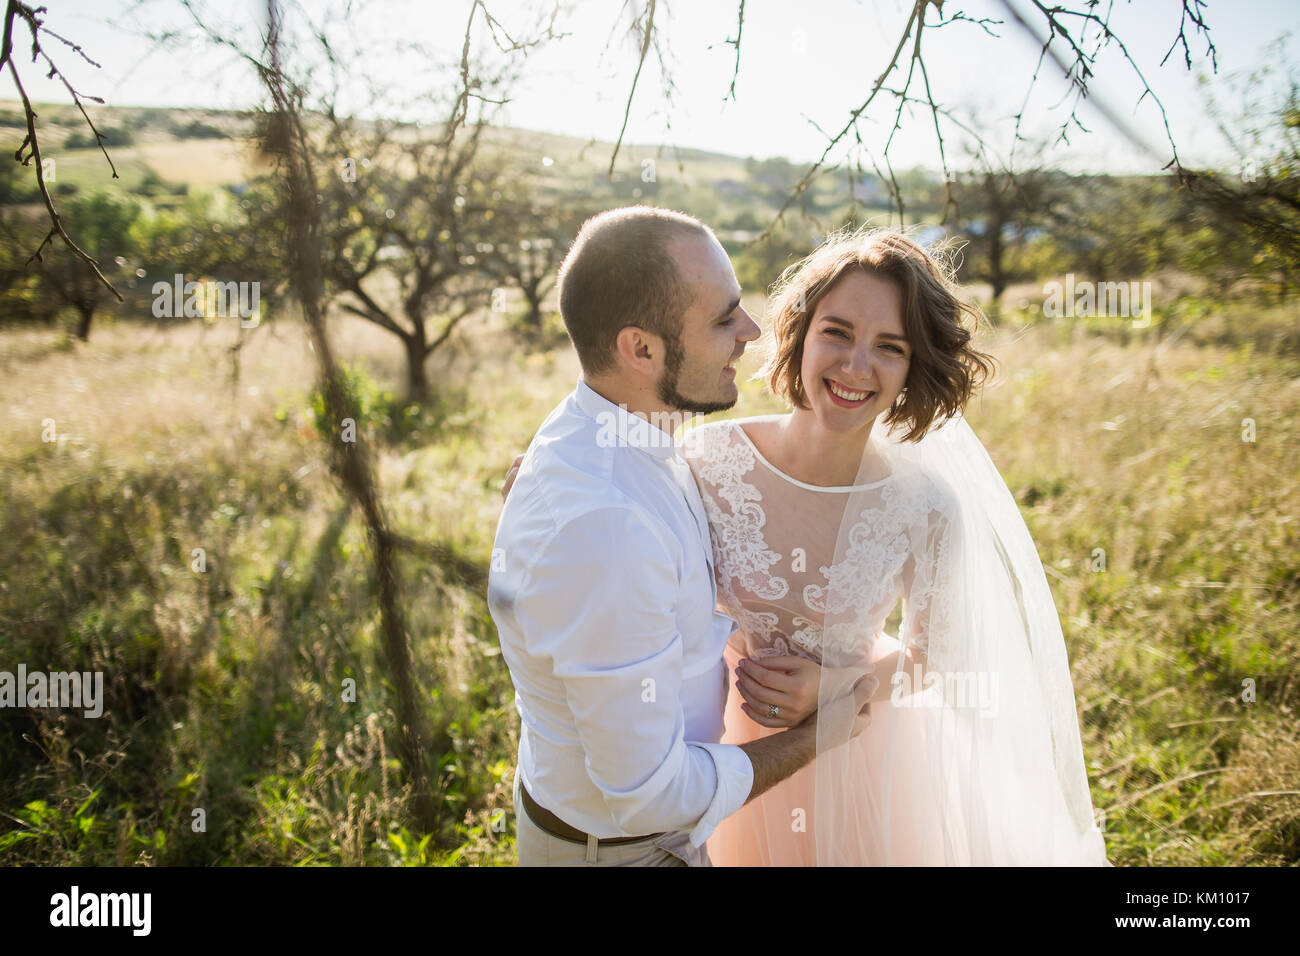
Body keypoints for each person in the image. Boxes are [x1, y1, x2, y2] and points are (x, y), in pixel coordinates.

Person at [681, 227, 1110, 865]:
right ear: (800, 331)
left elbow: (937, 657)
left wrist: (836, 686)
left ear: (914, 368)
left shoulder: (928, 504)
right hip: (720, 748)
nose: (856, 366)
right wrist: (552, 474)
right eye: (837, 332)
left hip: (865, 757)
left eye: (890, 346)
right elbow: (626, 509)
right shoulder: (706, 459)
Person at [488, 206, 873, 867]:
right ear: (640, 350)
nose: (751, 332)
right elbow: (647, 798)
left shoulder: (615, 428)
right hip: (625, 850)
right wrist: (818, 737)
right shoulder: (607, 527)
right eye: (725, 318)